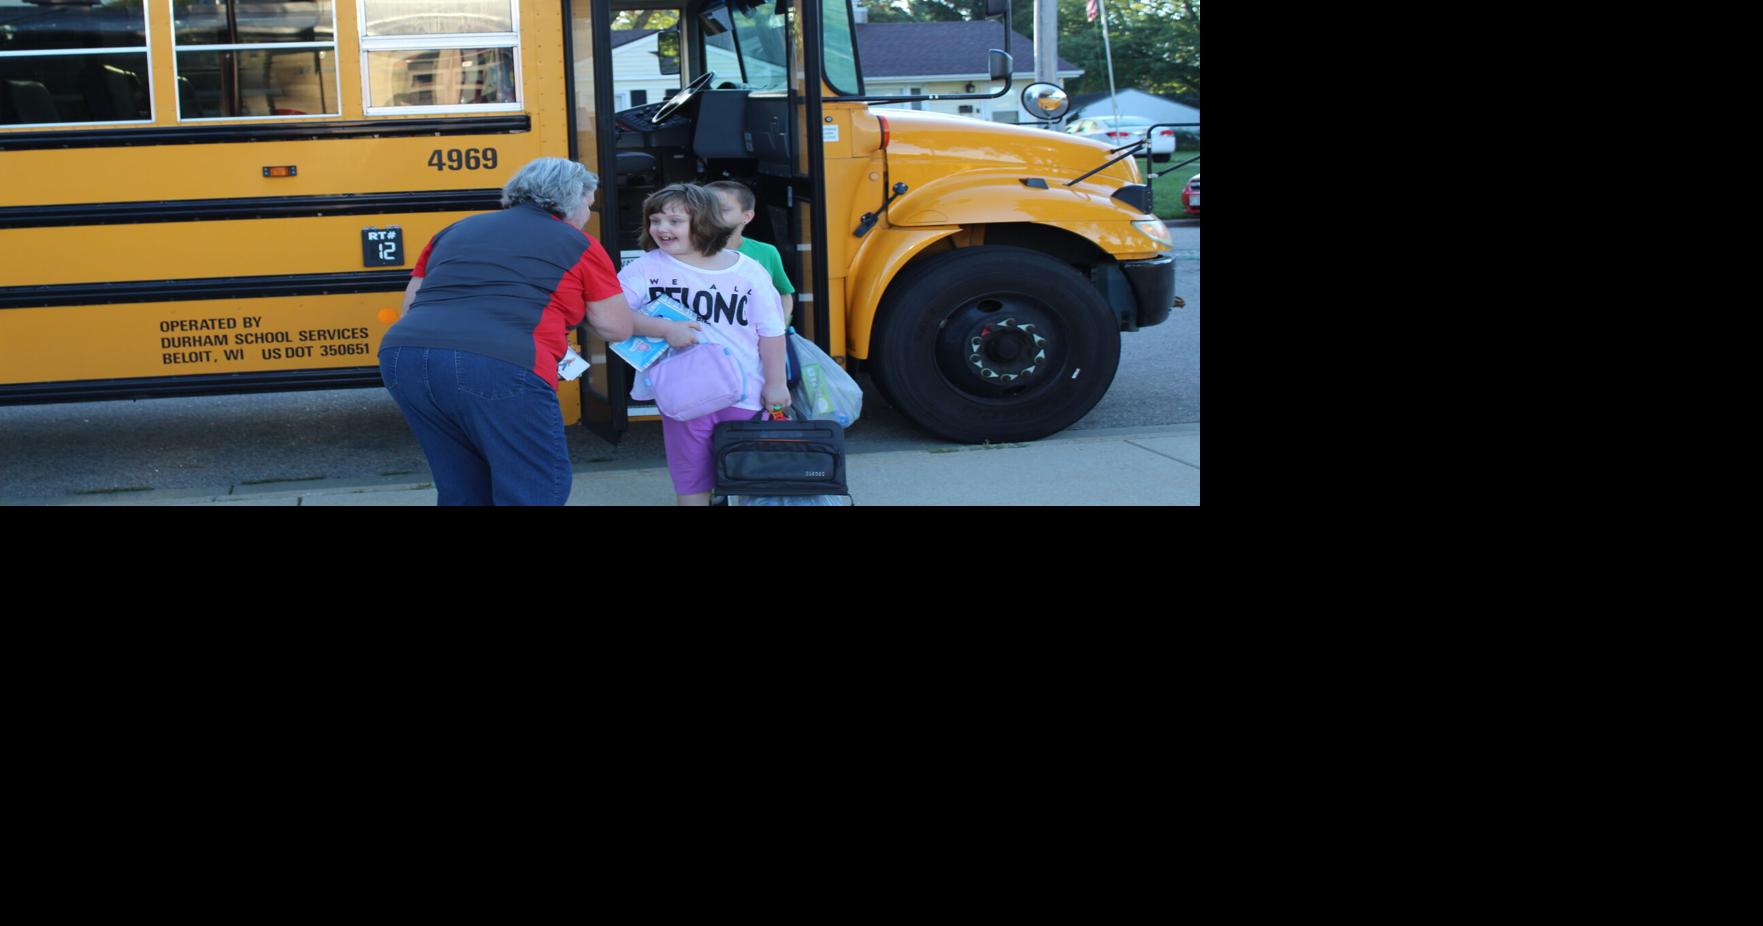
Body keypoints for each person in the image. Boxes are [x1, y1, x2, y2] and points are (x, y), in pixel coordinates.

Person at [378, 157, 695, 505]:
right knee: (534, 488)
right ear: (572, 201)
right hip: (501, 363)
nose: (587, 215)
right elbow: (615, 326)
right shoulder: (577, 243)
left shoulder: (455, 230)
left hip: (404, 358)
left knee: (462, 488)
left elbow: (411, 306)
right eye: (588, 205)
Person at [619, 184, 789, 506]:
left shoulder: (749, 271)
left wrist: (777, 383)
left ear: (705, 222)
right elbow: (611, 316)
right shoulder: (645, 268)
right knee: (692, 484)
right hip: (684, 398)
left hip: (747, 393)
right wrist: (664, 328)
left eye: (674, 221)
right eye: (655, 221)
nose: (661, 229)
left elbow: (771, 331)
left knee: (756, 481)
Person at [704, 180, 795, 325]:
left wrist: (781, 325)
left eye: (723, 210)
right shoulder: (689, 252)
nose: (711, 215)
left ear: (747, 216)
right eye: (705, 209)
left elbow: (783, 293)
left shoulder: (766, 252)